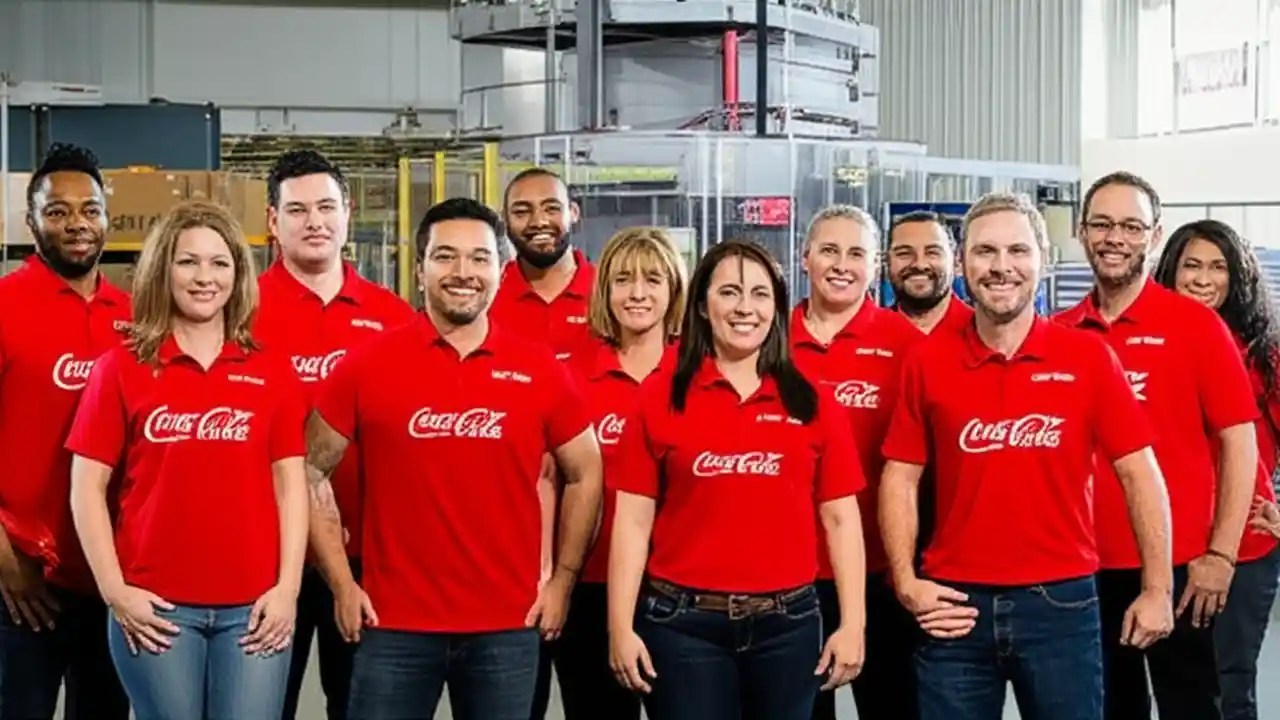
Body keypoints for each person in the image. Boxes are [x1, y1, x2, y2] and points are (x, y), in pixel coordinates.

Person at [303, 197, 603, 720]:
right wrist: (341, 582)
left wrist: (563, 579)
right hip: (391, 623)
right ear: (418, 271)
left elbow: (586, 471)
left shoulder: (539, 369)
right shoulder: (367, 364)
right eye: (445, 257)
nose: (463, 273)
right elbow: (307, 471)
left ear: (499, 270)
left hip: (507, 626)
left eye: (479, 258)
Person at [880, 191, 1175, 720]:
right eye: (985, 252)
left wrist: (1158, 588)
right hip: (955, 606)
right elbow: (900, 479)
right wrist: (905, 581)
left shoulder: (1088, 358)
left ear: (1041, 258)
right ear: (964, 262)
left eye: (1017, 251)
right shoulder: (926, 361)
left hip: (1061, 606)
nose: (1001, 268)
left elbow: (1139, 472)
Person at [64, 201, 309, 720]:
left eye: (220, 263)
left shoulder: (272, 370)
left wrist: (288, 589)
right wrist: (115, 591)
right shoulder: (121, 369)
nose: (205, 278)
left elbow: (291, 485)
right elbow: (85, 488)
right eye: (188, 262)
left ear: (238, 275)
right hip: (155, 608)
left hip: (255, 608)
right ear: (162, 270)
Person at [608, 239, 868, 720]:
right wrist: (619, 628)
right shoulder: (659, 397)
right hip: (682, 625)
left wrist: (854, 624)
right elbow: (632, 522)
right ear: (704, 305)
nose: (745, 308)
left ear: (777, 306)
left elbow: (841, 520)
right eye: (729, 293)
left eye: (760, 294)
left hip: (789, 626)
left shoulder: (812, 400)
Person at [1056, 172, 1260, 720]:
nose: (1114, 237)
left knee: (1193, 708)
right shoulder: (1060, 332)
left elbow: (1241, 443)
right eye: (1101, 223)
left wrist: (1220, 554)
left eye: (1130, 226)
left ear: (1153, 233)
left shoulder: (1195, 326)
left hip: (1182, 569)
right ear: (1081, 232)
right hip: (1085, 572)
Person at [253, 149, 416, 720]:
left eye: (326, 207)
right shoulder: (238, 312)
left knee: (363, 707)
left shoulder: (395, 317)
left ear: (348, 213)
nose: (315, 222)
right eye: (297, 210)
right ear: (273, 221)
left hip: (371, 561)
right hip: (268, 559)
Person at [0, 143, 132, 720]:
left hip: (112, 579)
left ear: (107, 217)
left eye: (90, 209)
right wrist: (3, 557)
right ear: (30, 222)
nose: (76, 223)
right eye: (57, 211)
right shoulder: (5, 306)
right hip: (20, 581)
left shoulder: (135, 318)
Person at [790, 206, 925, 720]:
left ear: (876, 266)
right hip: (791, 577)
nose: (841, 265)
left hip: (883, 572)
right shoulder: (768, 341)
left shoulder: (908, 346)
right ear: (806, 258)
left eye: (856, 254)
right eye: (829, 251)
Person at [556, 227, 686, 720]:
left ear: (674, 289)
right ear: (603, 291)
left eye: (653, 280)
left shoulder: (700, 374)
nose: (637, 293)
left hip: (678, 593)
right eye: (623, 280)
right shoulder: (568, 375)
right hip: (590, 585)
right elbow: (550, 480)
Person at [1153, 219, 1280, 720]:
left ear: (1238, 278)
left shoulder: (1262, 357)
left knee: (1230, 689)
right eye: (1191, 266)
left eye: (1218, 267)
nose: (1203, 279)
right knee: (1177, 692)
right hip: (1162, 545)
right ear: (1171, 271)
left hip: (1243, 551)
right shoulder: (1150, 347)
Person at [493, 166, 598, 720]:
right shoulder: (484, 298)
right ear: (505, 221)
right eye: (522, 211)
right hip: (508, 556)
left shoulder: (613, 295)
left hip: (601, 556)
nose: (539, 222)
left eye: (550, 207)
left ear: (573, 212)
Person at [885, 210, 973, 334]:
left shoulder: (984, 334)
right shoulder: (867, 336)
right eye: (904, 253)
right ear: (887, 261)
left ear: (956, 260)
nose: (919, 264)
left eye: (932, 252)